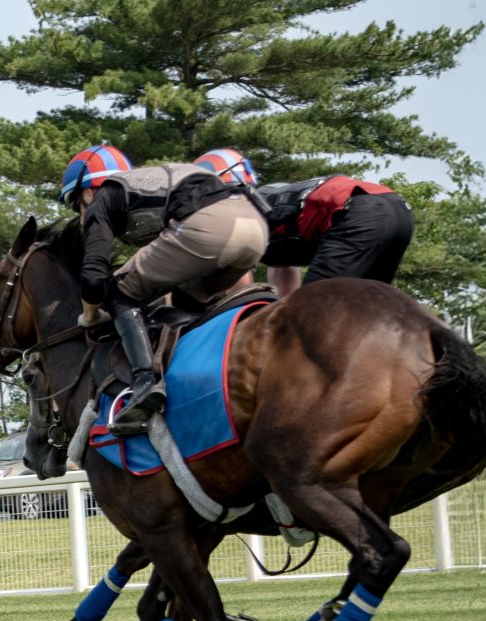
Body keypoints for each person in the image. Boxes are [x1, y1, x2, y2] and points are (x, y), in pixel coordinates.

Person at [63, 144, 268, 434]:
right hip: (256, 228)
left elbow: (93, 277)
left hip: (211, 228)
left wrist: (91, 314)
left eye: (75, 206)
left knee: (117, 290)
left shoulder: (102, 198)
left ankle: (145, 385)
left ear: (86, 193)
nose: (80, 217)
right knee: (184, 306)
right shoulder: (145, 186)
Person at [254, 174, 415, 297]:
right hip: (400, 210)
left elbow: (280, 290)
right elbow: (283, 269)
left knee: (310, 311)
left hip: (360, 210)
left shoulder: (251, 218)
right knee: (366, 308)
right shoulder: (286, 210)